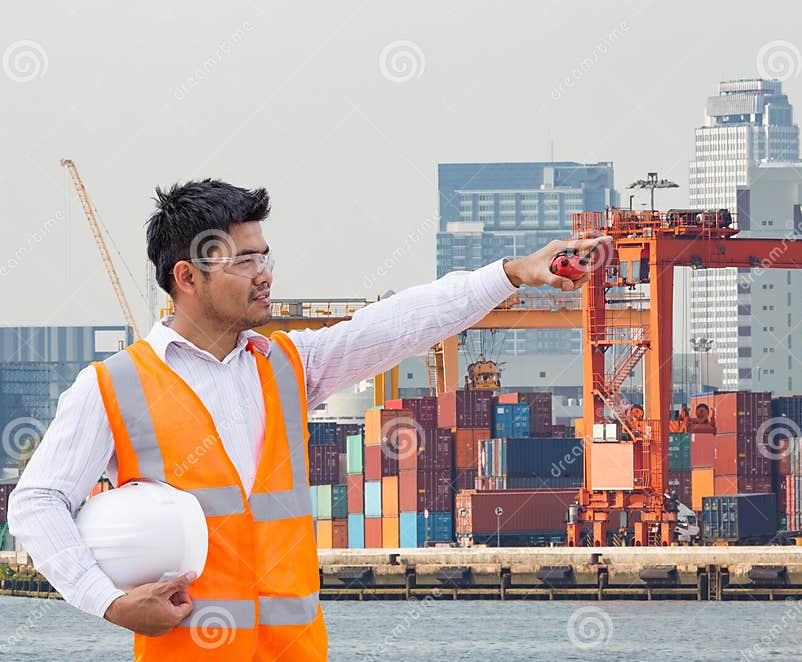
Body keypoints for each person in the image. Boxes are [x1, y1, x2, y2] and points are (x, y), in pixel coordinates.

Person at [7, 179, 606, 660]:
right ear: (187, 277)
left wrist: (512, 273)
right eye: (245, 261)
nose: (265, 273)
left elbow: (397, 322)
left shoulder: (289, 366)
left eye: (265, 255)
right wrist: (108, 603)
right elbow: (36, 502)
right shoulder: (113, 387)